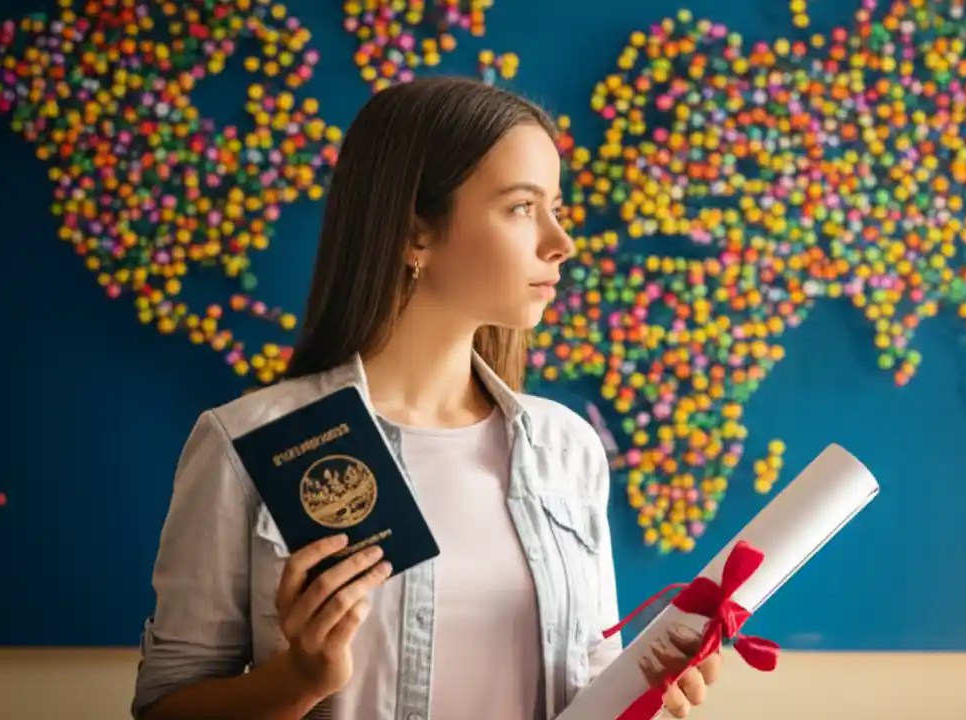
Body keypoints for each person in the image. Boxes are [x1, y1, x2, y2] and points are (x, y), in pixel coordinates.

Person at [130, 75, 723, 720]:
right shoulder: (244, 443)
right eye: (522, 208)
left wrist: (641, 693)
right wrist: (298, 679)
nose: (561, 242)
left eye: (557, 208)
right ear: (416, 232)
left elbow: (588, 681)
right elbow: (166, 706)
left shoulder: (568, 449)